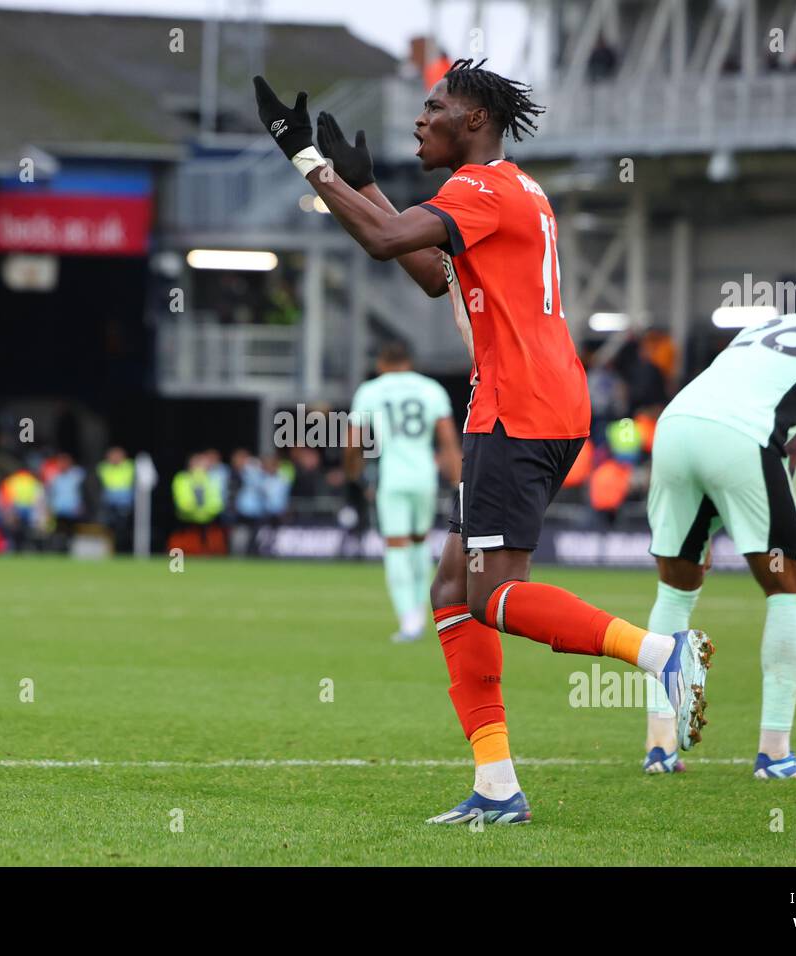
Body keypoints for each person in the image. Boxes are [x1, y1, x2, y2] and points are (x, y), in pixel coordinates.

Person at [254, 59, 712, 825]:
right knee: (449, 591)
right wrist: (365, 189)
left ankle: (666, 656)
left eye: (432, 107)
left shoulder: (481, 187)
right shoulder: (515, 188)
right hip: (541, 402)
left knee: (492, 594)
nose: (417, 119)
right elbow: (432, 271)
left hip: (515, 410)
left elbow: (385, 243)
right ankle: (496, 787)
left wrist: (308, 162)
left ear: (472, 121)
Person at [642, 268, 796, 780]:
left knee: (676, 588)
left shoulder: (771, 325)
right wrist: (792, 520)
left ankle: (659, 746)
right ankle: (775, 754)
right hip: (740, 438)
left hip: (675, 426)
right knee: (787, 586)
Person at [346, 339, 459, 643]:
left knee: (396, 546)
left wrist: (353, 472)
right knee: (420, 543)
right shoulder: (430, 388)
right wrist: (456, 479)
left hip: (392, 478)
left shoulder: (371, 390)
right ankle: (422, 612)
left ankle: (408, 620)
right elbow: (448, 439)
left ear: (382, 363)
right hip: (424, 476)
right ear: (409, 362)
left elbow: (353, 440)